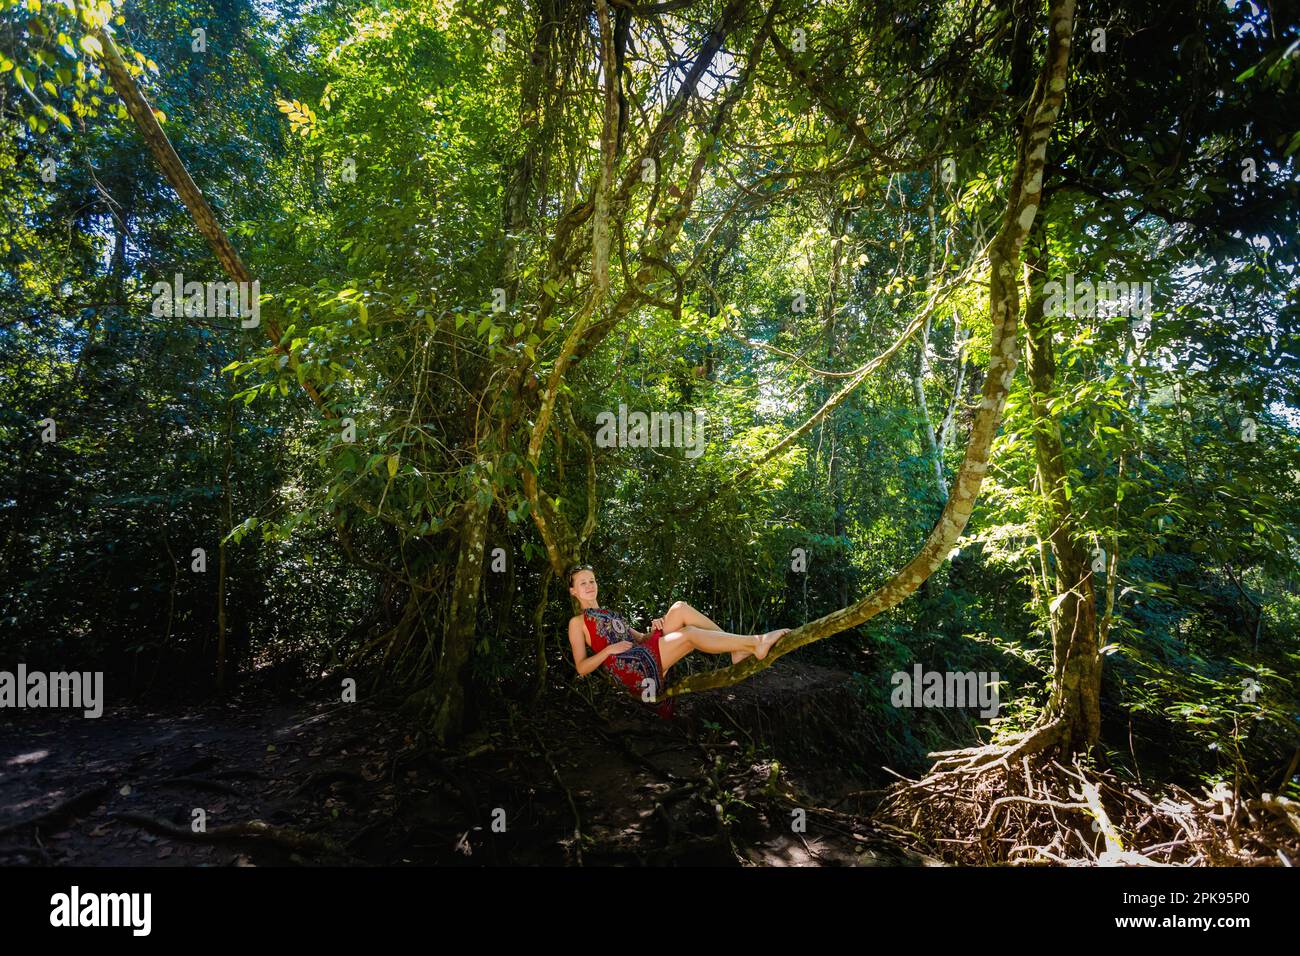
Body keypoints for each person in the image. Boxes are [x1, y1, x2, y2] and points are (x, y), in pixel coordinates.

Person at [565, 564, 790, 718]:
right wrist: (608, 651)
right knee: (689, 633)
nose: (589, 585)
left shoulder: (612, 614)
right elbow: (582, 668)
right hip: (632, 669)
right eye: (582, 583)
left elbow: (642, 639)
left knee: (679, 608)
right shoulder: (577, 622)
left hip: (641, 651)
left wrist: (655, 627)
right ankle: (754, 643)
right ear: (573, 591)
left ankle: (736, 649)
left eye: (592, 580)